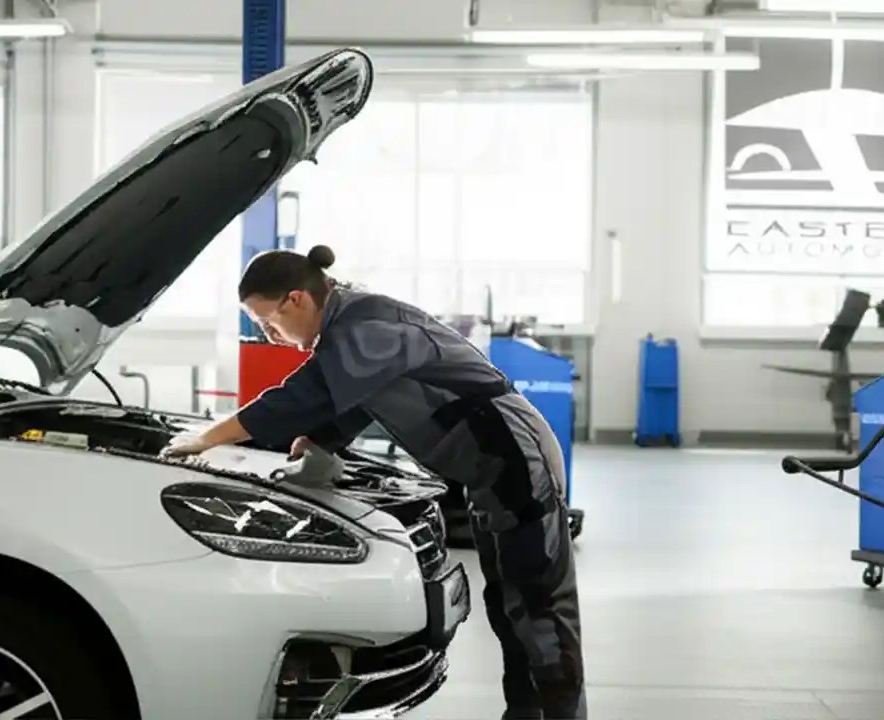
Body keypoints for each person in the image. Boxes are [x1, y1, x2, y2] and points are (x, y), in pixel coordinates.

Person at [162, 245, 586, 719]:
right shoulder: (351, 326)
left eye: (268, 323)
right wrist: (321, 442)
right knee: (510, 607)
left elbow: (304, 395)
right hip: (492, 465)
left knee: (537, 609)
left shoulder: (362, 327)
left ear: (297, 300)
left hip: (513, 456)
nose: (270, 335)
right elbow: (361, 401)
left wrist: (209, 436)